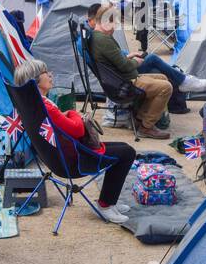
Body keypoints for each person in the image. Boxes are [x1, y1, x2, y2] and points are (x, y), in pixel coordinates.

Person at [13, 58, 135, 224]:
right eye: (45, 73)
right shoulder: (46, 107)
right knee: (127, 152)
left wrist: (69, 116)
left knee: (122, 148)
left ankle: (109, 201)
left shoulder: (33, 105)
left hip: (56, 158)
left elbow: (66, 125)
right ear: (35, 81)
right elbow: (77, 129)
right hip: (73, 161)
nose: (50, 75)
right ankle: (105, 205)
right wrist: (72, 112)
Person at [84, 4, 174, 138]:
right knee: (166, 87)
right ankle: (146, 127)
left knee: (162, 78)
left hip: (121, 78)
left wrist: (128, 57)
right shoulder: (103, 40)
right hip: (125, 83)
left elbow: (113, 61)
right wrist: (135, 62)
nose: (115, 27)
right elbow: (125, 66)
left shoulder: (98, 37)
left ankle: (140, 119)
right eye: (114, 23)